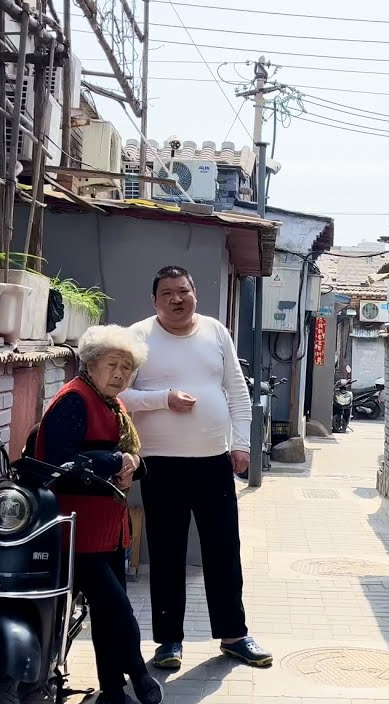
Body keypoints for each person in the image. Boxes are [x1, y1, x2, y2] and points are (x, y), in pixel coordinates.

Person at [122, 265, 272, 670]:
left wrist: (242, 445)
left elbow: (237, 391)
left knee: (224, 550)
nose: (177, 299)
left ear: (194, 295)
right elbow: (119, 394)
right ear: (154, 301)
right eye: (167, 293)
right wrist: (163, 399)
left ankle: (234, 635)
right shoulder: (138, 336)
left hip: (213, 462)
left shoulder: (215, 331)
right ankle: (169, 641)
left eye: (183, 291)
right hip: (160, 464)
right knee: (167, 554)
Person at [34, 325, 163, 704]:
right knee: (117, 606)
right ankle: (137, 673)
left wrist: (133, 463)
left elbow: (133, 461)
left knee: (108, 612)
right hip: (77, 527)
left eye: (127, 367)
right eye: (112, 364)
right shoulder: (74, 400)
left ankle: (112, 691)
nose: (120, 374)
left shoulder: (114, 404)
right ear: (90, 364)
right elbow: (58, 461)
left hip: (109, 526)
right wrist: (115, 460)